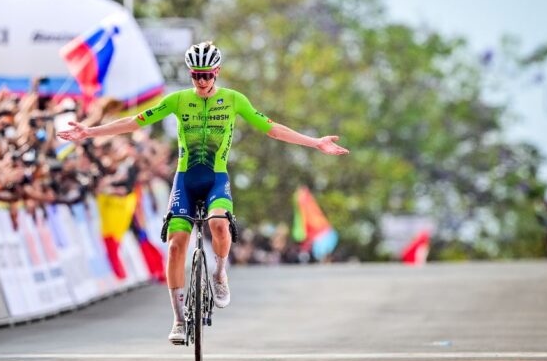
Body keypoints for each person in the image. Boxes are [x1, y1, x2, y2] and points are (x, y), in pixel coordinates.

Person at [59, 41, 350, 344]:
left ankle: (220, 274)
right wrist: (89, 132)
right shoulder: (178, 100)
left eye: (207, 76)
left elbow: (273, 129)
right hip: (185, 179)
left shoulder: (234, 100)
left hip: (216, 178)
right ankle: (178, 318)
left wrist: (315, 142)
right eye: (195, 75)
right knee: (174, 246)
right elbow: (135, 122)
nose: (201, 82)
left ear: (217, 73)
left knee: (219, 224)